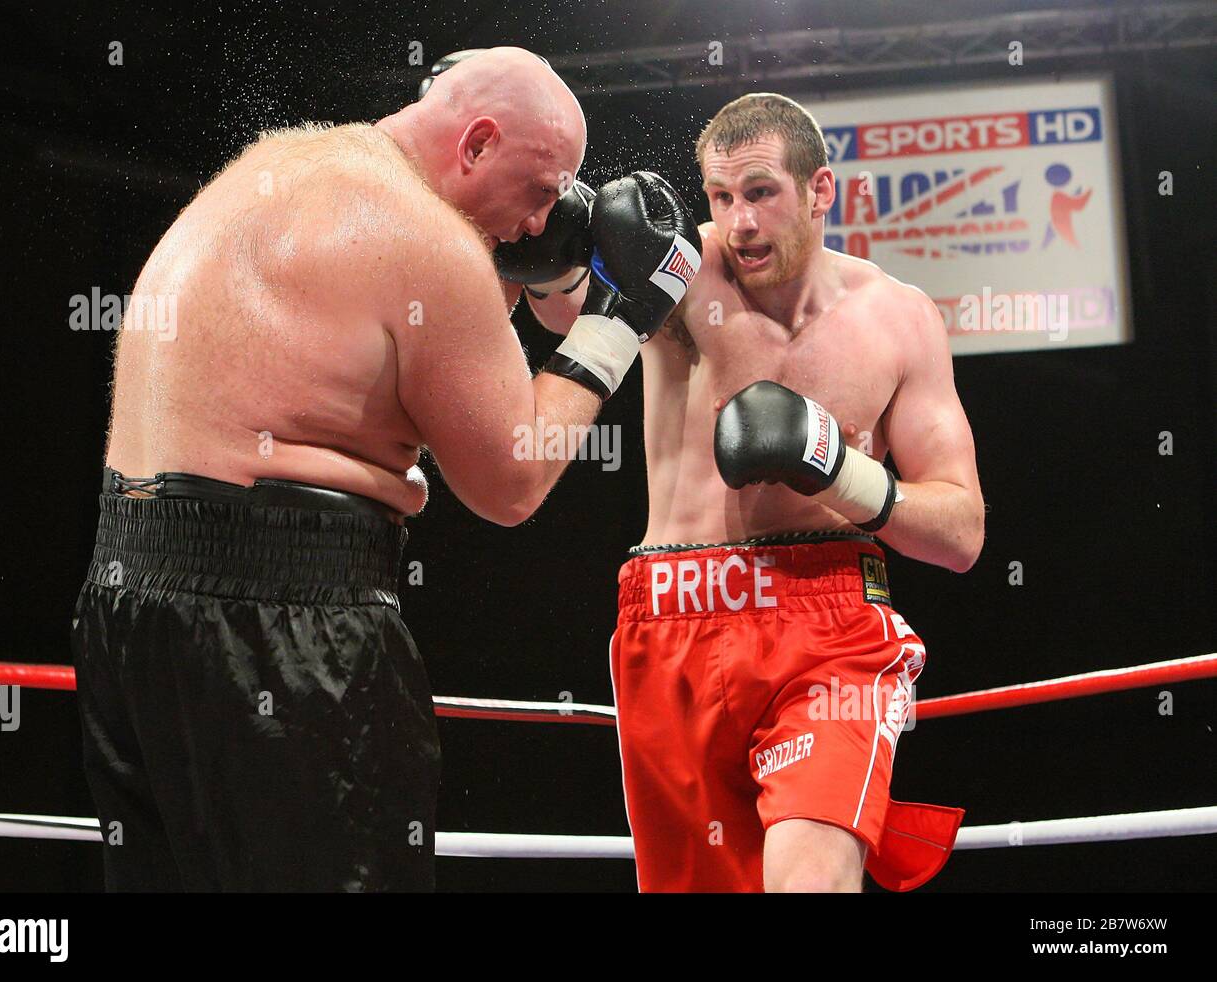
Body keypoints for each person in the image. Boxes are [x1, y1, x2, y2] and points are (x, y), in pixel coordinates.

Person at [71, 46, 700, 891]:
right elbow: (512, 482)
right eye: (542, 191)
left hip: (126, 601)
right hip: (284, 617)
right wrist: (623, 317)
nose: (537, 219)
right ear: (475, 143)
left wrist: (552, 262)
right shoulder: (427, 239)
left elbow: (446, 314)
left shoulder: (279, 160)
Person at [520, 93, 983, 892]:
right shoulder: (682, 269)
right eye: (721, 196)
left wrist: (841, 469)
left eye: (761, 192)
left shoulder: (900, 320)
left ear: (819, 189)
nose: (737, 222)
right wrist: (560, 254)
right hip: (669, 622)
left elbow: (962, 530)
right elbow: (564, 307)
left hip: (831, 628)